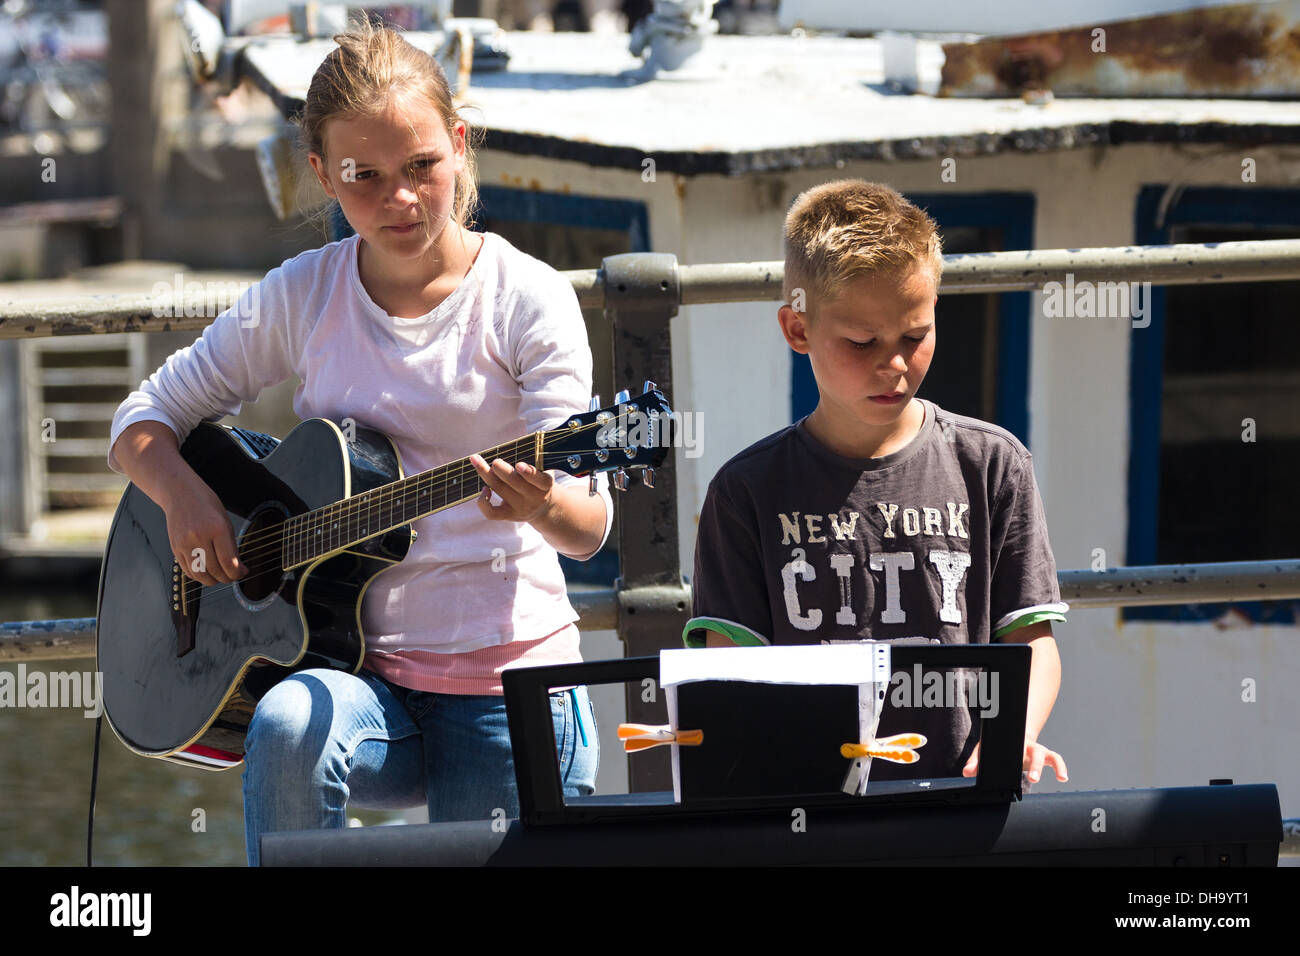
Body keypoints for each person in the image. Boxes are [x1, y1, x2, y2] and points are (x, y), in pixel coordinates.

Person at [107, 21, 610, 865]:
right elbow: (143, 420)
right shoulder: (306, 293)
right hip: (359, 677)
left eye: (421, 167)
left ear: (458, 142)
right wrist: (187, 499)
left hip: (506, 687)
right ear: (321, 175)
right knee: (288, 720)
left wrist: (544, 501)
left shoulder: (527, 299)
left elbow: (590, 529)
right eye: (363, 177)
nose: (400, 199)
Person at [689, 180, 1069, 787]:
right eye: (862, 342)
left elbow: (1031, 642)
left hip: (961, 800)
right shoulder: (745, 492)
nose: (893, 364)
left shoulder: (994, 464)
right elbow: (732, 670)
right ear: (797, 330)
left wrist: (1015, 733)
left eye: (915, 337)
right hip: (808, 815)